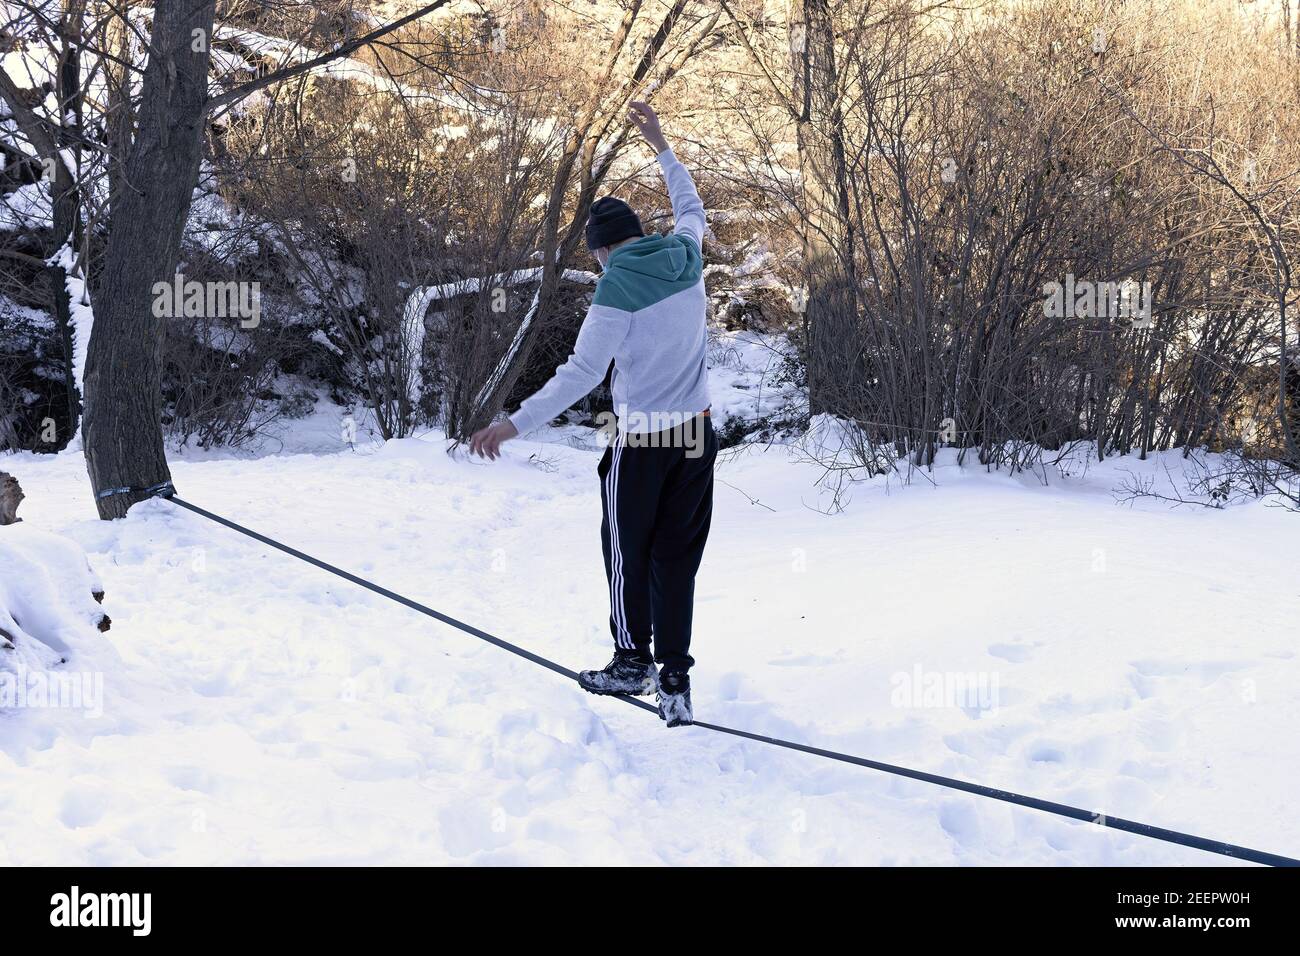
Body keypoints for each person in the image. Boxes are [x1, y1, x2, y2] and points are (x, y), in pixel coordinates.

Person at [470, 101, 715, 728]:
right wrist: (660, 143)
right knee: (675, 560)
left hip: (643, 447)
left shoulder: (614, 290)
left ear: (603, 251)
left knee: (626, 551)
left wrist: (512, 423)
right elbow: (690, 205)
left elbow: (581, 374)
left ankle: (632, 662)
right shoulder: (687, 255)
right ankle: (676, 680)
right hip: (698, 439)